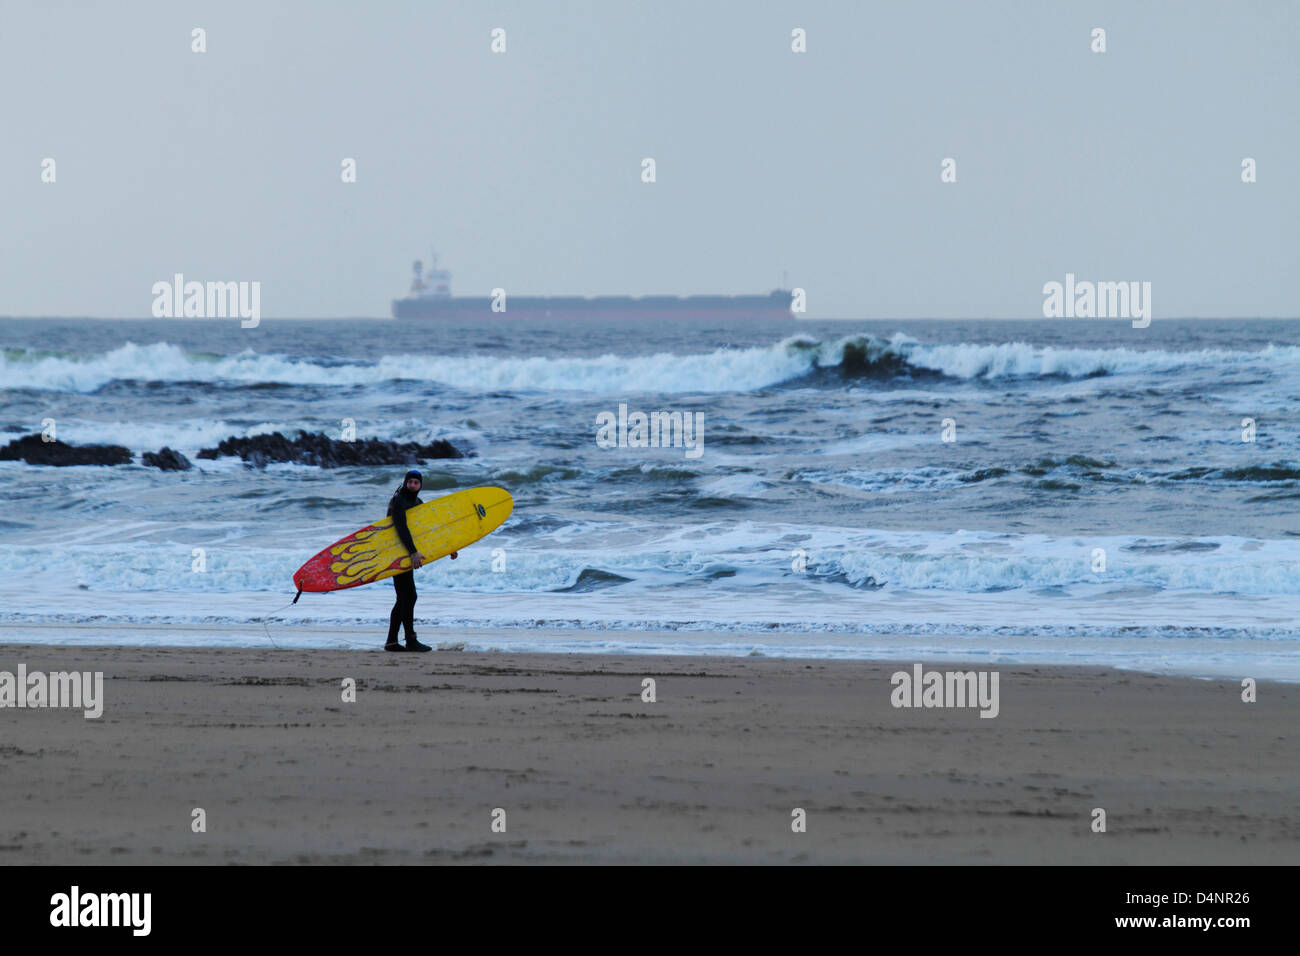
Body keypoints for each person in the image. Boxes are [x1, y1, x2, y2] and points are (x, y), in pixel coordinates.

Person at [384, 469, 456, 652]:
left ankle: (394, 642)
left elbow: (428, 530)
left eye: (416, 482)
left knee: (406, 597)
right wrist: (413, 552)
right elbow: (401, 528)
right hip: (397, 553)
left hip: (406, 553)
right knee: (407, 597)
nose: (413, 485)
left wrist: (449, 547)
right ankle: (408, 640)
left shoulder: (417, 502)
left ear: (420, 485)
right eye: (410, 482)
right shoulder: (398, 500)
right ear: (405, 482)